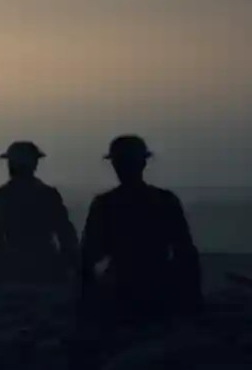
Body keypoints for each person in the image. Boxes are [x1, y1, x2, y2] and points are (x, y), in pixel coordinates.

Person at [80, 135, 202, 321]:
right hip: (159, 288)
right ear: (143, 163)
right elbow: (185, 251)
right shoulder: (165, 200)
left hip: (121, 291)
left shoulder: (104, 204)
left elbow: (90, 255)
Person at [0, 141, 79, 283]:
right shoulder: (48, 195)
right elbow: (66, 235)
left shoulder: (4, 196)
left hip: (15, 267)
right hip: (46, 265)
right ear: (35, 164)